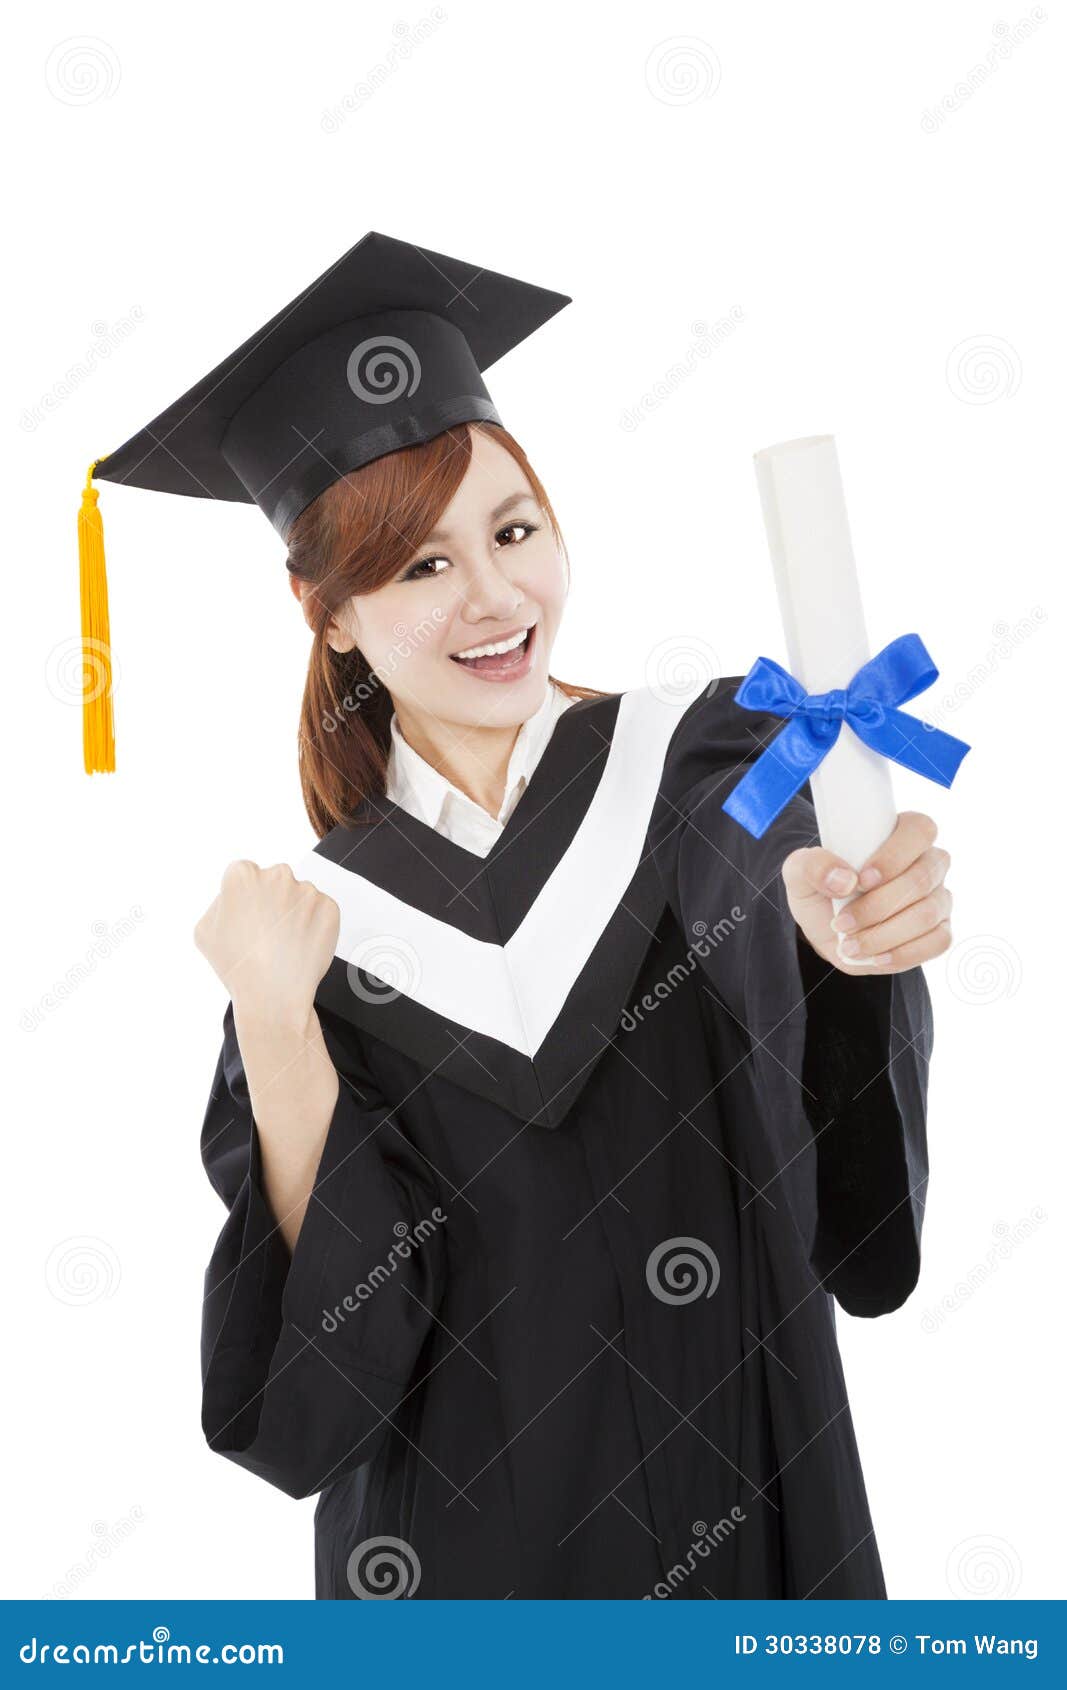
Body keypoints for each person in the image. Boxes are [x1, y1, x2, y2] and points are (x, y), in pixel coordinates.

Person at [86, 233, 952, 1599]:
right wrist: (278, 1025)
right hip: (453, 1581)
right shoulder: (323, 933)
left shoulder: (696, 759)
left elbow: (761, 861)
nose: (495, 598)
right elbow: (317, 1406)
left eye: (513, 530)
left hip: (742, 1535)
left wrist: (827, 932)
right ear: (327, 613)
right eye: (419, 567)